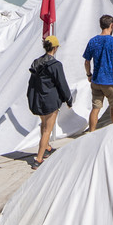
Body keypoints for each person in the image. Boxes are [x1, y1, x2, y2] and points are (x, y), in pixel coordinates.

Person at [26, 35, 72, 167]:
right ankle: (38, 159)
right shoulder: (56, 65)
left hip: (39, 99)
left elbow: (32, 83)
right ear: (55, 48)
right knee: (47, 129)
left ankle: (46, 148)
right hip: (51, 100)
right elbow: (62, 83)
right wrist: (68, 99)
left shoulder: (36, 62)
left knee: (44, 125)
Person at [83, 14, 113, 133]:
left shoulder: (93, 41)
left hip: (97, 81)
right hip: (111, 81)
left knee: (95, 108)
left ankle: (91, 132)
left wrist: (89, 75)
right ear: (112, 25)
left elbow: (87, 62)